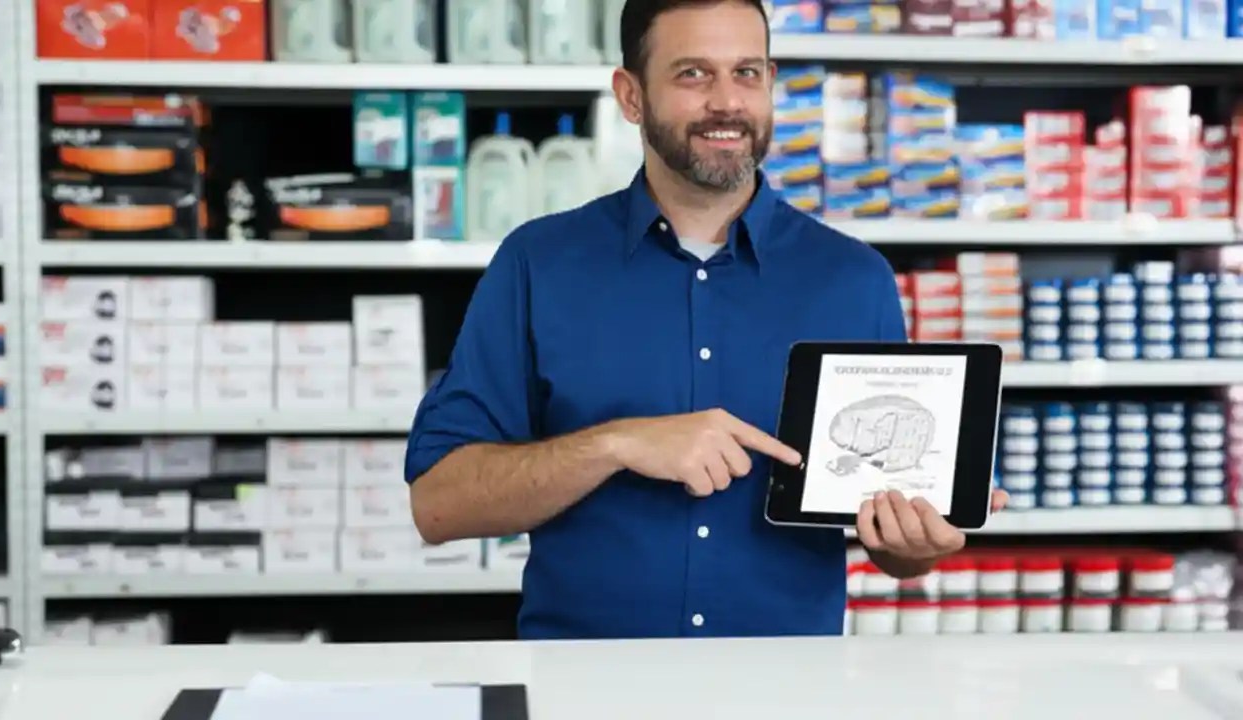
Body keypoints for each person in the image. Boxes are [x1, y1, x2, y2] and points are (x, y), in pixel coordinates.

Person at [405, 0, 1008, 640]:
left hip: (784, 691)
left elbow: (893, 547)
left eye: (746, 73)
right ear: (631, 96)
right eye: (693, 74)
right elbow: (438, 505)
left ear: (771, 83)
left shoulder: (852, 280)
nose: (727, 102)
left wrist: (917, 543)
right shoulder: (539, 264)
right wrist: (616, 444)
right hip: (585, 690)